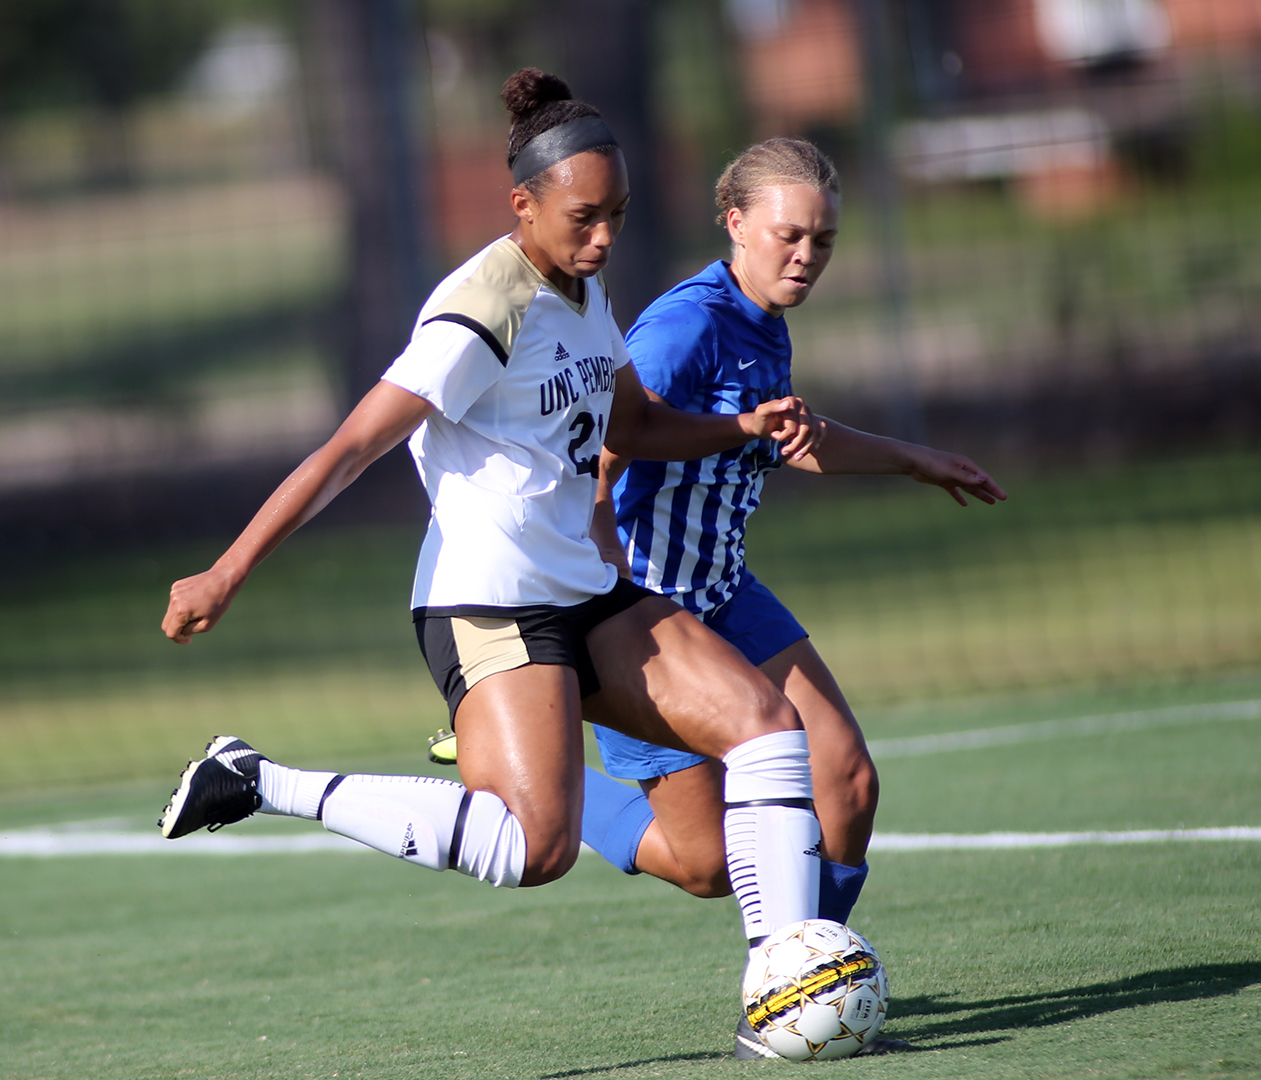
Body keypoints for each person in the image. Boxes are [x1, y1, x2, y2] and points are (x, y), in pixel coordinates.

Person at [155, 71, 833, 989]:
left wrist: (740, 427)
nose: (604, 238)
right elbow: (347, 451)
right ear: (524, 204)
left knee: (765, 728)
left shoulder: (582, 285)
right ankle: (260, 780)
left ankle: (787, 983)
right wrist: (226, 571)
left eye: (618, 216)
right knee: (533, 849)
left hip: (587, 588)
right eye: (584, 218)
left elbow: (632, 423)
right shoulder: (479, 311)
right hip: (491, 605)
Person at [423, 137, 1007, 1058]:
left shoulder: (764, 319)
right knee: (702, 864)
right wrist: (603, 568)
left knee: (847, 781)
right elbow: (607, 446)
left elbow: (779, 437)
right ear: (735, 223)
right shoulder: (684, 328)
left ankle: (797, 992)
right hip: (648, 611)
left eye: (823, 239)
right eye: (788, 235)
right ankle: (518, 739)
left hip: (726, 589)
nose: (806, 255)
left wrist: (915, 460)